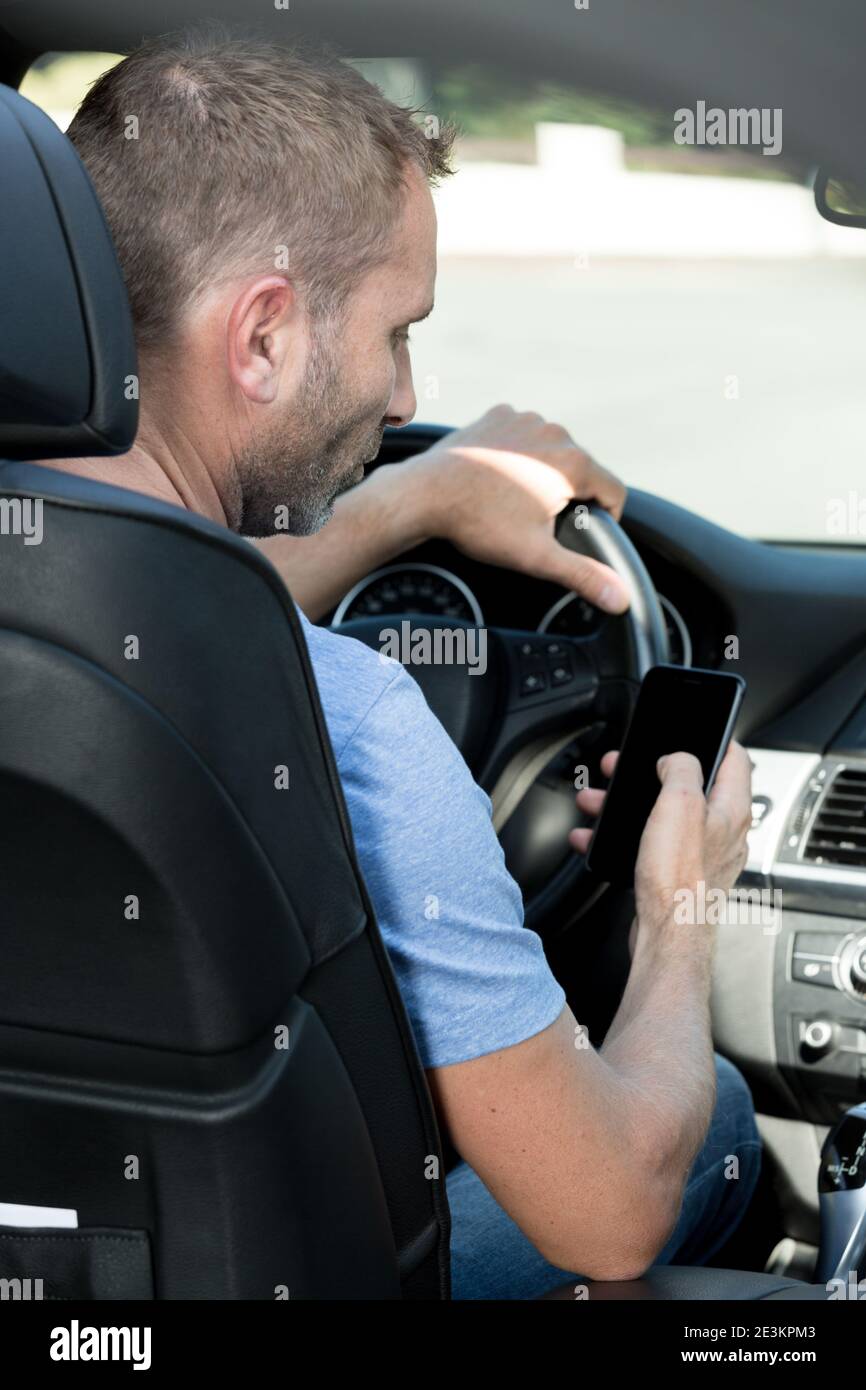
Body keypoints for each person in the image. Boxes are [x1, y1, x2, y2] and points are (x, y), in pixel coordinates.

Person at [41, 26, 759, 1298]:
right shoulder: (355, 726)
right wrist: (677, 910)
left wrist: (410, 499)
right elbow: (607, 1214)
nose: (404, 396)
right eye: (398, 331)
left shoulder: (50, 595)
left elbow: (161, 619)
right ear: (262, 337)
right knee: (714, 1124)